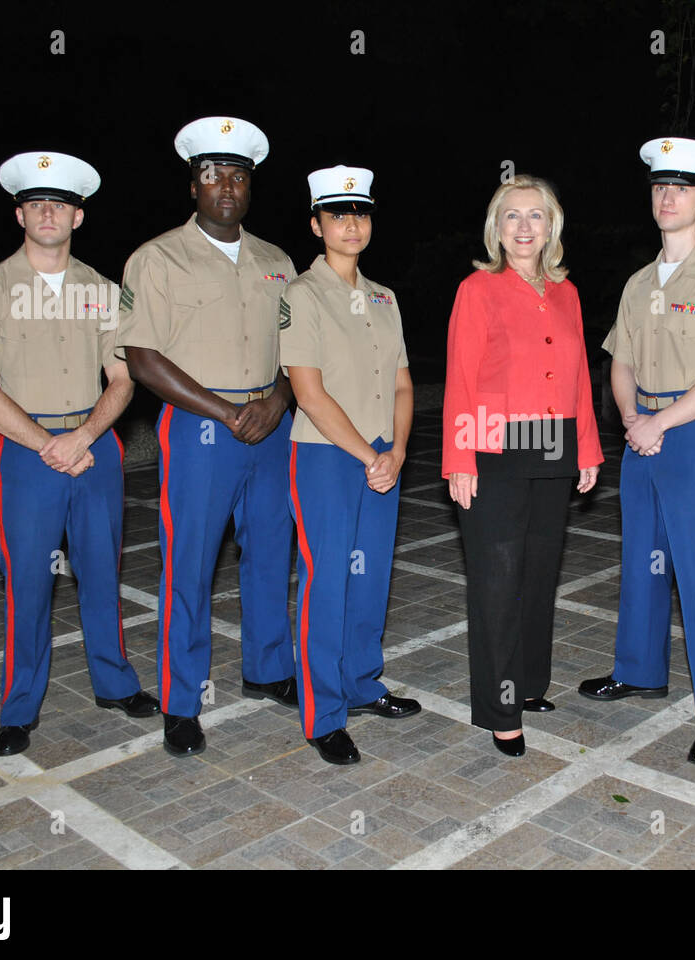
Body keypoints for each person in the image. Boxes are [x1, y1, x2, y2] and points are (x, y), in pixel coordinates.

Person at [0, 151, 157, 757]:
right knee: (28, 584)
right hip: (25, 451)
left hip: (95, 449)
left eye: (59, 203)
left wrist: (84, 438)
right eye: (36, 202)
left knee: (100, 572)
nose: (48, 211)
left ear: (77, 217)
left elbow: (122, 379)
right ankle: (19, 707)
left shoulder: (104, 291)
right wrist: (49, 445)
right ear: (19, 215)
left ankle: (115, 684)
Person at [115, 117, 297, 757]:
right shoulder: (156, 257)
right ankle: (181, 699)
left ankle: (268, 668)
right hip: (199, 428)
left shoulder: (277, 260)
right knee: (188, 563)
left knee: (273, 550)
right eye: (212, 173)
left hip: (272, 426)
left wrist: (279, 398)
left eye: (238, 174)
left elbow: (298, 351)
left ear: (251, 187)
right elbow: (142, 359)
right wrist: (226, 412)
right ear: (192, 185)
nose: (226, 185)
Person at [578, 137, 695, 766]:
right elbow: (619, 362)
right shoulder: (636, 282)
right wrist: (630, 416)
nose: (668, 196)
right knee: (642, 558)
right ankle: (640, 669)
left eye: (682, 187)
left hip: (691, 429)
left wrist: (661, 422)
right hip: (643, 428)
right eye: (659, 186)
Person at [443, 175, 602, 757]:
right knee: (497, 580)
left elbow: (581, 373)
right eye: (513, 215)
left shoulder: (567, 293)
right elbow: (460, 379)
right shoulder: (478, 289)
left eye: (536, 215)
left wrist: (586, 446)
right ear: (497, 227)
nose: (525, 226)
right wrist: (460, 457)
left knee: (539, 575)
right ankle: (499, 705)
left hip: (555, 443)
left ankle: (530, 683)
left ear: (551, 226)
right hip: (496, 447)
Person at [281, 165, 421, 766]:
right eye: (338, 215)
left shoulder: (385, 298)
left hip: (381, 458)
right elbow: (308, 393)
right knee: (327, 582)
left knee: (370, 580)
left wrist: (398, 453)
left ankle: (364, 684)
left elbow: (403, 385)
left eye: (360, 213)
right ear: (316, 225)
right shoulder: (301, 296)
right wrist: (372, 456)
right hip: (325, 458)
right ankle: (324, 713)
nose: (351, 224)